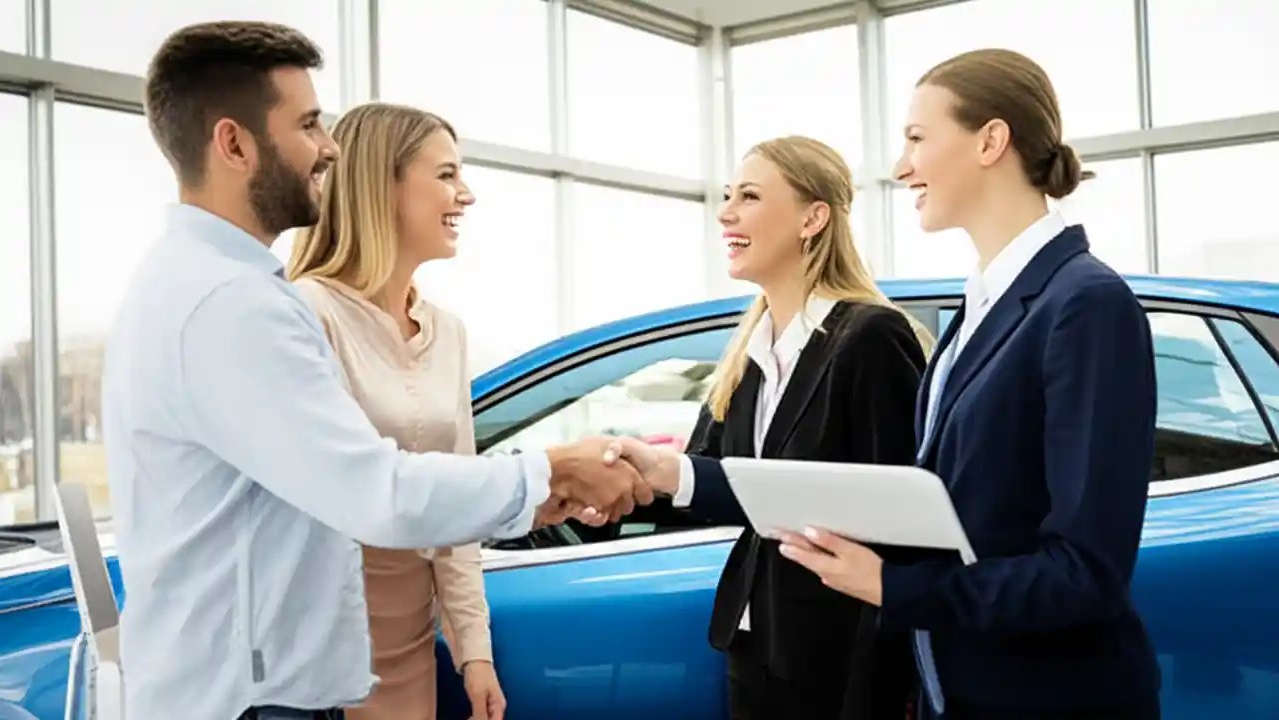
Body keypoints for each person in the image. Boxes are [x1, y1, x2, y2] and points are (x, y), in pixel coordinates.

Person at [105, 21, 650, 720]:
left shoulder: (199, 284)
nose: (329, 147)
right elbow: (375, 490)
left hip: (270, 684)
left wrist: (529, 512)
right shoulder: (236, 306)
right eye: (308, 125)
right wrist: (552, 472)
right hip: (253, 701)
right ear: (234, 143)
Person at [777, 49, 1161, 719]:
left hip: (1050, 698)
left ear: (991, 140)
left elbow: (1085, 574)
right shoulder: (984, 303)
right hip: (958, 690)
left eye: (918, 138)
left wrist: (895, 589)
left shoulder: (1085, 304)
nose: (901, 167)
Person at [608, 136, 932, 719]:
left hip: (842, 659)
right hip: (757, 645)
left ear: (813, 217)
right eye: (728, 195)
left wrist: (880, 690)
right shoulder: (750, 352)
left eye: (750, 196)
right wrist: (610, 492)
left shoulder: (871, 339)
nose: (726, 211)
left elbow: (901, 527)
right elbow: (708, 485)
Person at [285, 103, 503, 720]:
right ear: (383, 183)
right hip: (324, 644)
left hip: (409, 643)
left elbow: (458, 500)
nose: (466, 194)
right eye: (446, 175)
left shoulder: (448, 331)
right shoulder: (306, 312)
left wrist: (473, 653)